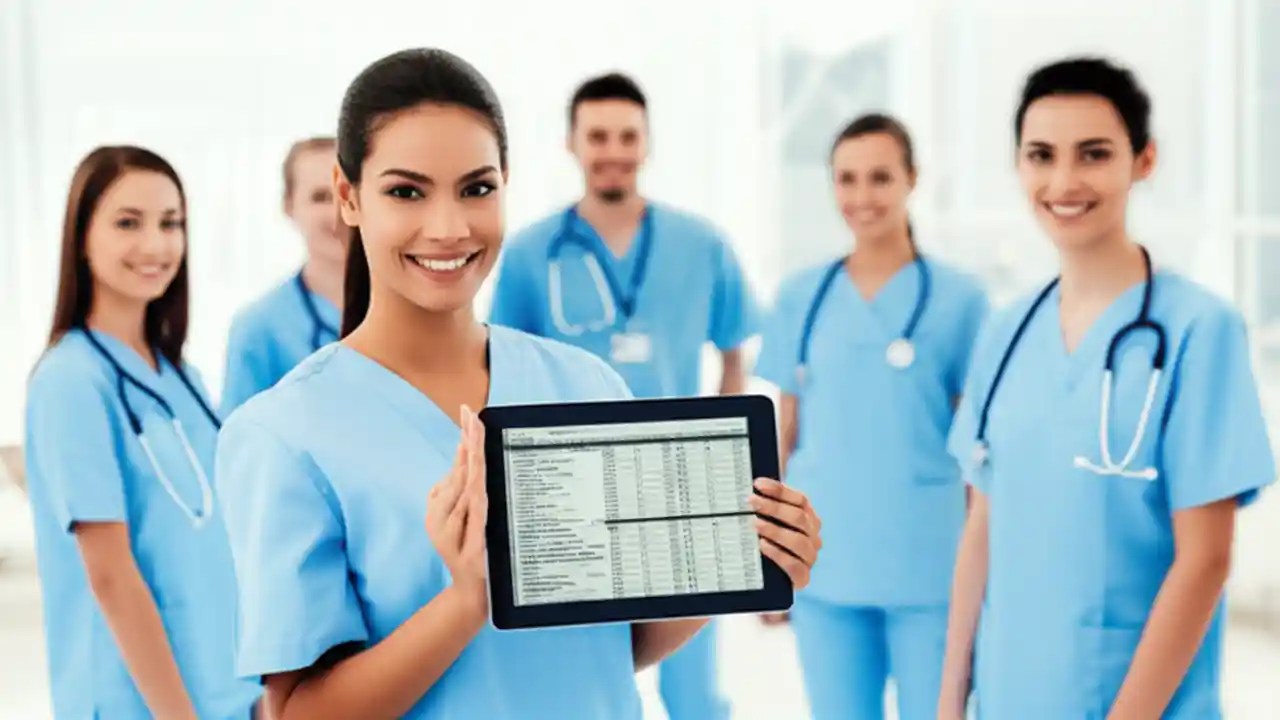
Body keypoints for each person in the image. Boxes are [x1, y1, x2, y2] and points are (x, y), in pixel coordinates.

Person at [213, 48, 822, 720]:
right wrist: (467, 600)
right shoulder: (286, 434)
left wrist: (744, 562)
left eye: (476, 188)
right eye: (406, 191)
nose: (448, 228)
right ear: (349, 195)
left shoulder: (585, 386)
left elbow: (610, 646)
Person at [940, 57, 1276, 719]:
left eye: (1093, 154)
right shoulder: (1006, 332)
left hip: (1132, 701)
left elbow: (1205, 558)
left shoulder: (1197, 330)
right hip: (1008, 695)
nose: (1063, 181)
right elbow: (982, 522)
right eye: (1041, 155)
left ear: (1143, 161)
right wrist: (950, 699)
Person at [486, 71, 759, 720]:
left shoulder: (703, 244)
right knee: (586, 672)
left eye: (627, 135)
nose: (614, 149)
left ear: (648, 143)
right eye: (598, 135)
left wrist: (721, 462)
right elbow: (502, 372)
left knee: (694, 682)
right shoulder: (530, 252)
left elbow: (732, 353)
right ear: (571, 144)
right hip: (569, 497)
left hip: (679, 492)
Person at [754, 114, 988, 720]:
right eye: (847, 179)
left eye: (880, 177)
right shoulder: (802, 296)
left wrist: (990, 571)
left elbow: (980, 454)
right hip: (825, 563)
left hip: (929, 565)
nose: (862, 197)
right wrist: (768, 562)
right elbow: (785, 431)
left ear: (912, 179)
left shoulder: (961, 300)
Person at [23, 146, 261, 719]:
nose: (155, 245)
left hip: (225, 696)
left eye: (170, 223)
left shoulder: (180, 376)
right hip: (143, 705)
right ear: (82, 236)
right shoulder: (71, 381)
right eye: (128, 223)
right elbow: (110, 574)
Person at [220, 136, 346, 415]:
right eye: (320, 197)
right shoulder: (258, 327)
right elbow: (239, 449)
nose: (338, 212)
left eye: (348, 193)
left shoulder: (416, 313)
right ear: (289, 205)